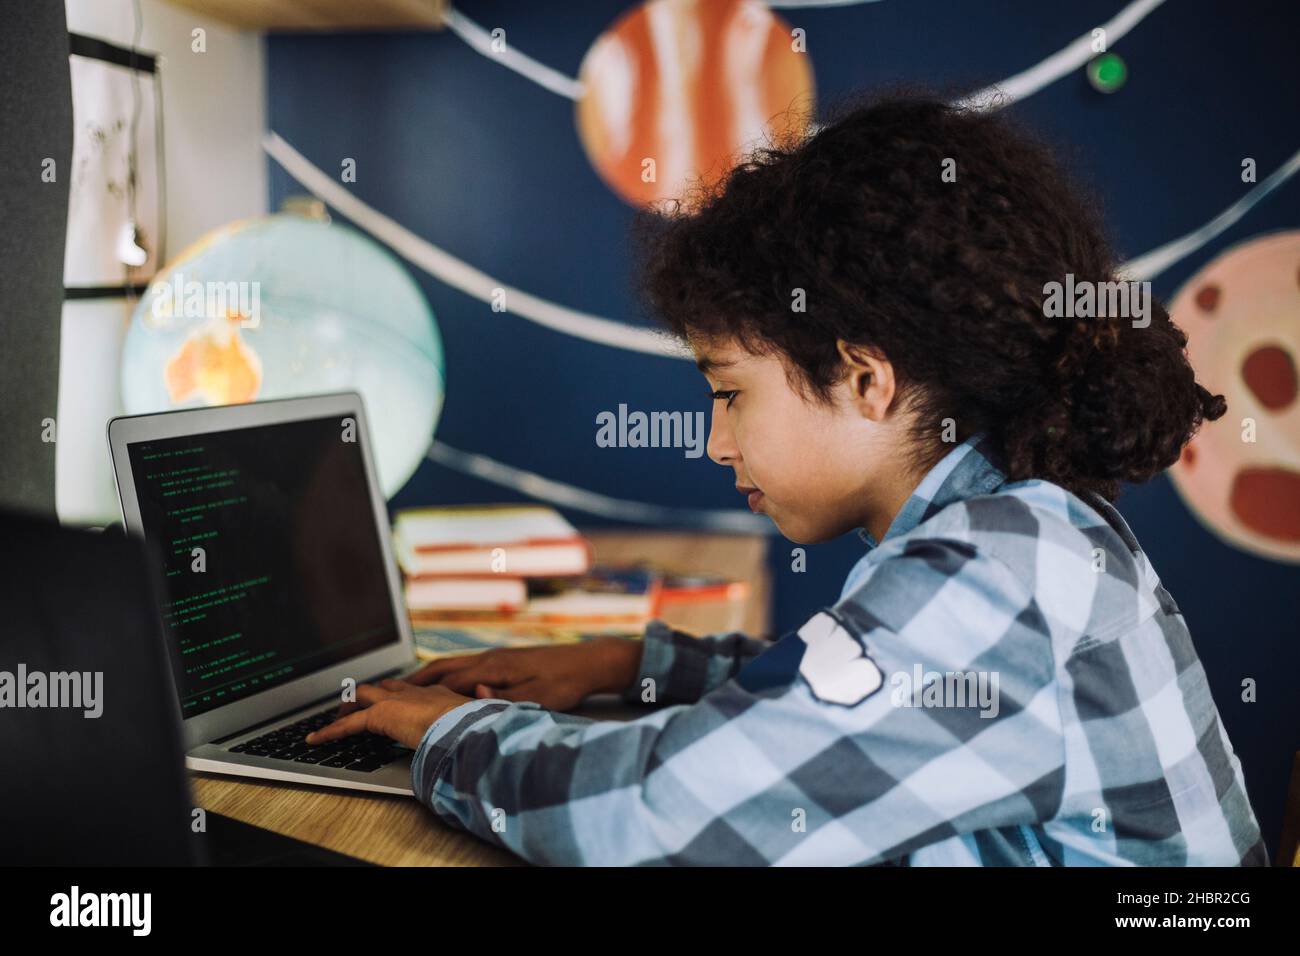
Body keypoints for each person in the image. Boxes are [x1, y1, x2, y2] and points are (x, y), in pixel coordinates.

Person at [307, 92, 1267, 866]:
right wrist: (623, 668)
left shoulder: (1000, 575)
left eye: (729, 393)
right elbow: (839, 700)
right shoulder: (1015, 528)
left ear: (864, 377)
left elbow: (657, 819)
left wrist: (449, 737)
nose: (717, 444)